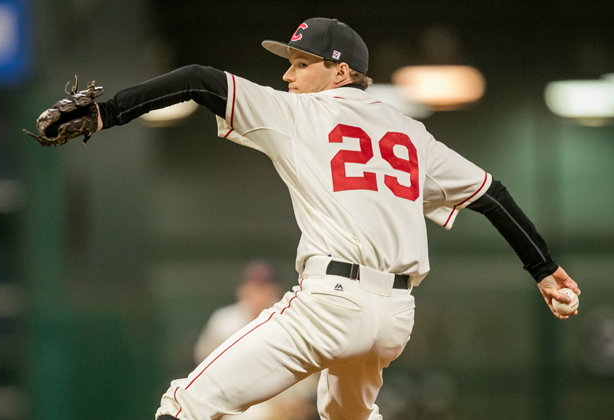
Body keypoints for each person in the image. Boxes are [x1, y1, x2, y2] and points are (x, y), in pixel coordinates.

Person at [46, 16, 582, 420]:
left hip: (331, 305)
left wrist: (106, 111)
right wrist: (544, 269)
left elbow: (199, 79)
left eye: (302, 63)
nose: (288, 73)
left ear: (340, 71)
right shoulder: (412, 134)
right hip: (395, 318)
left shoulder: (303, 111)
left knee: (185, 404)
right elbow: (492, 194)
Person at [193, 261, 318, 420]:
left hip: (283, 403)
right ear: (242, 290)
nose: (258, 295)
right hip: (235, 403)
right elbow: (203, 367)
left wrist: (302, 401)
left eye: (264, 288)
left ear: (276, 290)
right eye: (253, 288)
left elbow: (312, 379)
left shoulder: (293, 320)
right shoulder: (224, 322)